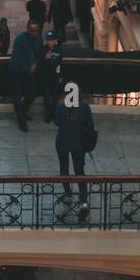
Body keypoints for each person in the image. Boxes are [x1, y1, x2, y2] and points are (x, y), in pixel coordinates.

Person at [54, 88, 95, 219]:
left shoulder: (61, 106)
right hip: (78, 143)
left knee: (64, 167)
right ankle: (83, 200)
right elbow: (91, 125)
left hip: (62, 141)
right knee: (79, 170)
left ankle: (68, 194)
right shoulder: (85, 106)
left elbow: (56, 122)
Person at [8, 21, 44, 131]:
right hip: (17, 72)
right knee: (17, 97)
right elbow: (17, 58)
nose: (34, 33)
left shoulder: (39, 40)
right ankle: (21, 122)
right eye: (31, 31)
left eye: (36, 31)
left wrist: (35, 64)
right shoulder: (20, 40)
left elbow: (39, 54)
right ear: (27, 30)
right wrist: (29, 67)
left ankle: (21, 113)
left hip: (29, 72)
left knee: (32, 94)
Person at [41, 29, 62, 123]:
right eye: (48, 40)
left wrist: (61, 76)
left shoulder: (59, 50)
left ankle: (53, 112)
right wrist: (45, 58)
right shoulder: (43, 49)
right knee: (46, 95)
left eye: (52, 40)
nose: (50, 42)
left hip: (55, 77)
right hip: (46, 77)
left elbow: (61, 63)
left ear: (55, 40)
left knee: (55, 95)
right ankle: (47, 113)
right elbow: (39, 63)